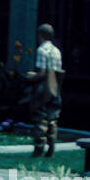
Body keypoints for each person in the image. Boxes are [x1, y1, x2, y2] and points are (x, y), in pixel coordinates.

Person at [26, 23, 64, 158]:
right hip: (55, 89)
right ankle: (51, 146)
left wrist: (32, 76)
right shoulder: (57, 51)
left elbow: (42, 74)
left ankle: (39, 148)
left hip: (43, 90)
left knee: (40, 117)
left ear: (40, 35)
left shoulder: (42, 50)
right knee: (53, 118)